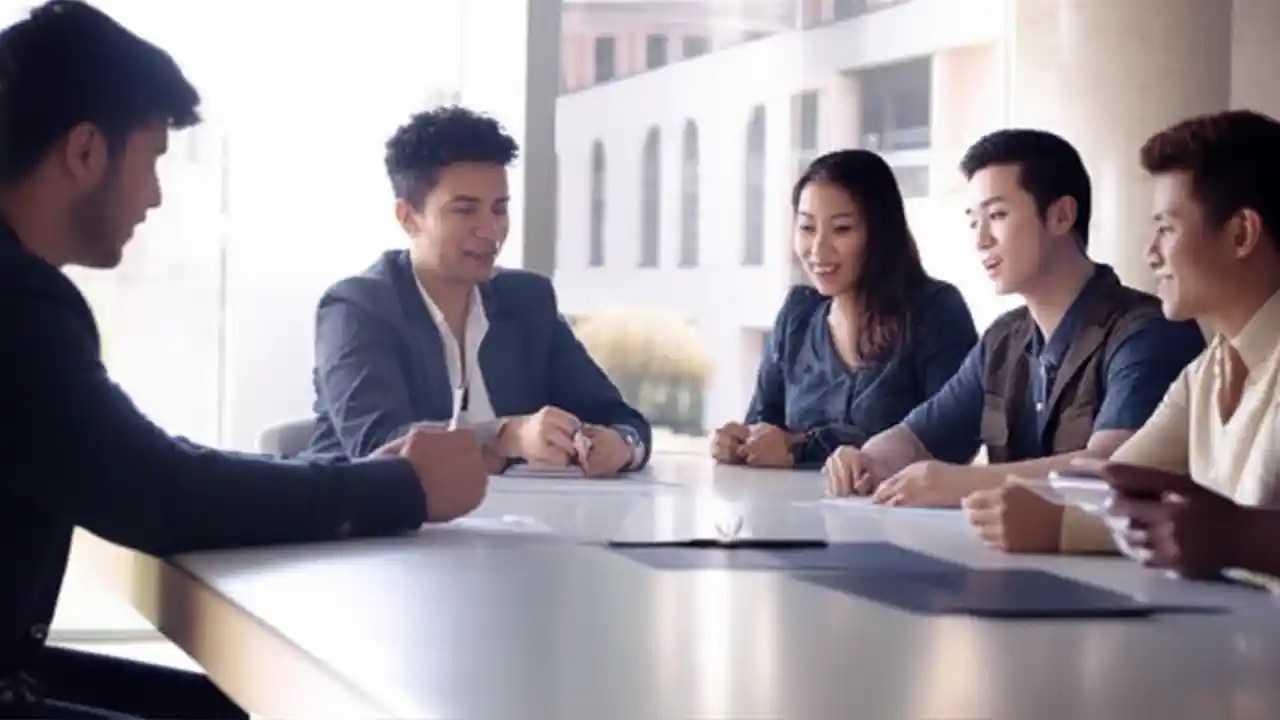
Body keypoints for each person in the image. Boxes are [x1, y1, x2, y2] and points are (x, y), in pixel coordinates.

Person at [0, 3, 488, 718]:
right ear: (85, 152)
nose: (156, 196)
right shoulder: (18, 303)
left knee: (230, 706)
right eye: (154, 158)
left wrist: (376, 477)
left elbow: (140, 464)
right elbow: (157, 492)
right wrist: (402, 488)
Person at [823, 129, 1206, 537]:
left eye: (998, 216)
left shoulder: (1146, 333)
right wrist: (865, 460)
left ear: (1061, 215)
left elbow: (1113, 466)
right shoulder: (1004, 340)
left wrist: (962, 483)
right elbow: (915, 439)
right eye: (974, 221)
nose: (981, 239)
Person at [970, 110, 1280, 556]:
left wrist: (1059, 526)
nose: (1150, 253)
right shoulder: (1207, 370)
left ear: (1240, 234)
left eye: (1166, 229)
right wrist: (1058, 518)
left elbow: (1223, 533)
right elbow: (1116, 481)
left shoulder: (1148, 333)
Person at [306, 107, 651, 477]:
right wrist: (507, 436)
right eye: (465, 211)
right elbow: (378, 446)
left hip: (513, 524)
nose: (491, 231)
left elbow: (619, 417)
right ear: (408, 217)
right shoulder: (357, 308)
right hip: (368, 528)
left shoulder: (527, 301)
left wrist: (622, 446)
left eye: (499, 209)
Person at [711, 150, 976, 469]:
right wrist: (739, 442)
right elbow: (763, 424)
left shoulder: (936, 310)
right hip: (794, 514)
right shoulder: (798, 315)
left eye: (841, 230)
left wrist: (800, 449)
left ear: (879, 232)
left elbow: (954, 439)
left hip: (896, 515)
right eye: (807, 228)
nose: (818, 250)